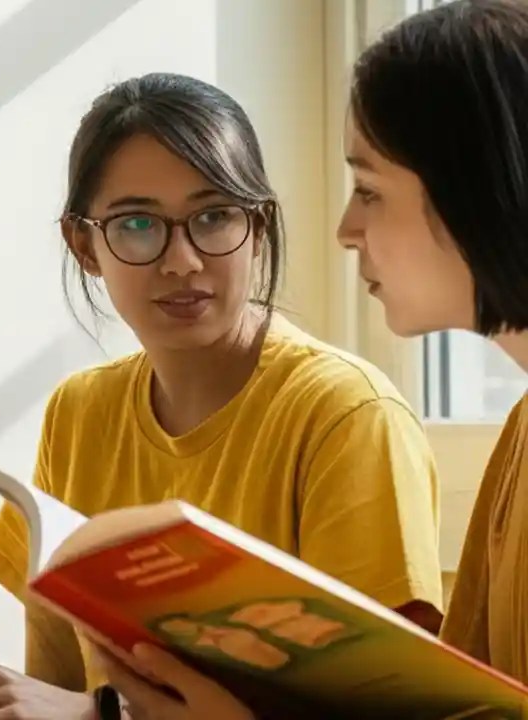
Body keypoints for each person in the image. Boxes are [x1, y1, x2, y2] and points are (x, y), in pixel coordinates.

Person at [0, 72, 446, 720]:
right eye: (138, 224)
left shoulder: (346, 416)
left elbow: (385, 713)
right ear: (84, 243)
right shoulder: (78, 414)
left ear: (257, 226)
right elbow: (56, 686)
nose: (182, 261)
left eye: (214, 216)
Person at [87, 2, 528, 718]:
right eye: (136, 224)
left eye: (370, 190)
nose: (346, 229)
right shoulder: (520, 436)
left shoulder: (346, 409)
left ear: (473, 187)